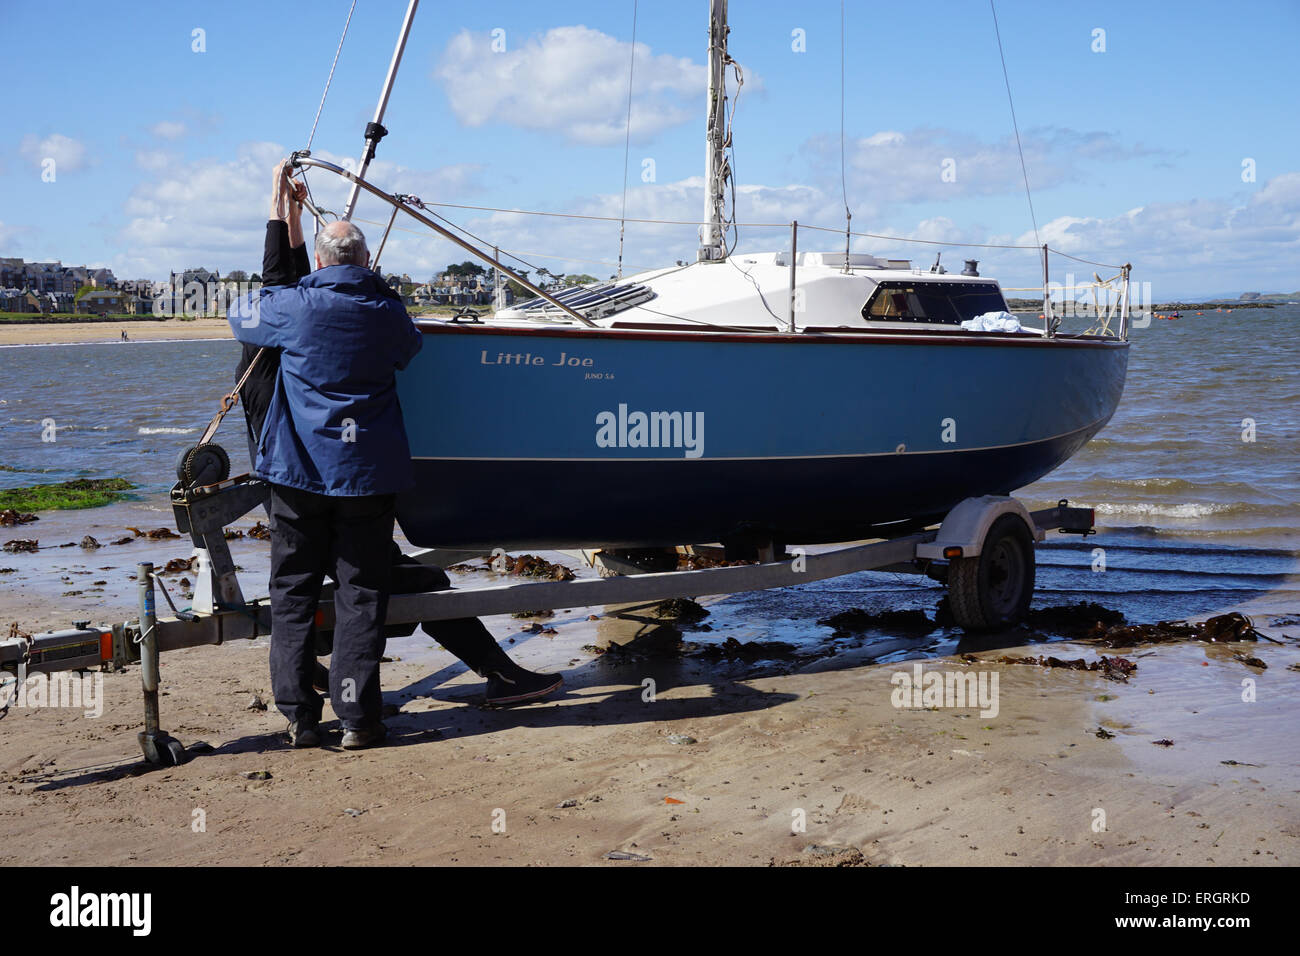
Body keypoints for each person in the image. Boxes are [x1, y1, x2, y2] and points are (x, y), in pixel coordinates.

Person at [235, 164, 560, 748]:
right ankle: (358, 721)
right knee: (363, 597)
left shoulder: (292, 308)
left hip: (296, 476)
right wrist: (371, 281)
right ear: (364, 264)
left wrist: (280, 205)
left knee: (293, 595)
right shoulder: (387, 313)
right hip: (365, 476)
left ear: (319, 265)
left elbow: (253, 307)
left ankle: (301, 720)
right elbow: (408, 345)